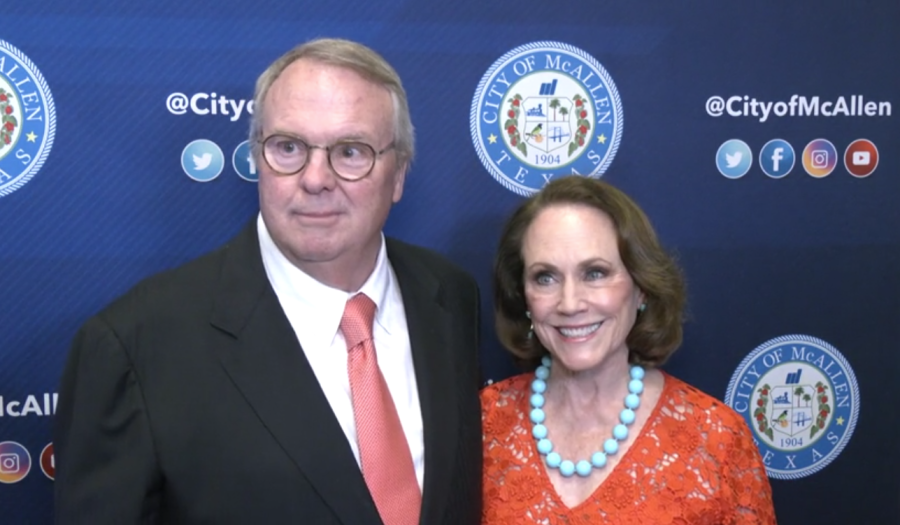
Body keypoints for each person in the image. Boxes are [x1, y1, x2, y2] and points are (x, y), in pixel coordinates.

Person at [53, 38, 482, 525]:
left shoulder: (449, 296)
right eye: (288, 147)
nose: (316, 178)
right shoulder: (134, 347)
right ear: (257, 157)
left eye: (351, 151)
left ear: (399, 173)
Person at [481, 176, 776, 524]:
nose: (570, 303)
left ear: (642, 288)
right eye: (545, 277)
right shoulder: (480, 424)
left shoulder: (717, 439)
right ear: (523, 297)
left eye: (595, 273)